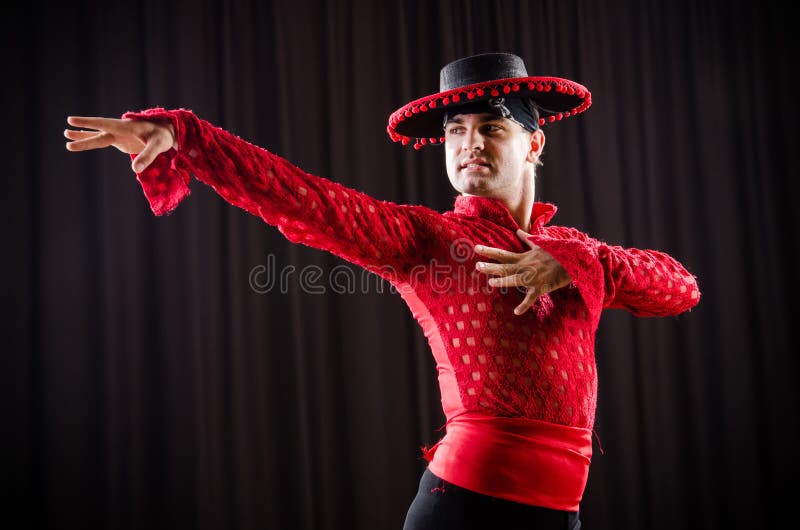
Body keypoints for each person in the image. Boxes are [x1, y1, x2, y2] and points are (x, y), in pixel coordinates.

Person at [64, 52, 700, 530]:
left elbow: (681, 287)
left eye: (491, 128)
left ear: (533, 143)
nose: (469, 144)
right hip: (466, 510)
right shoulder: (425, 240)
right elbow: (307, 199)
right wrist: (189, 139)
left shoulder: (575, 253)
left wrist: (570, 261)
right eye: (455, 130)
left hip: (560, 512)